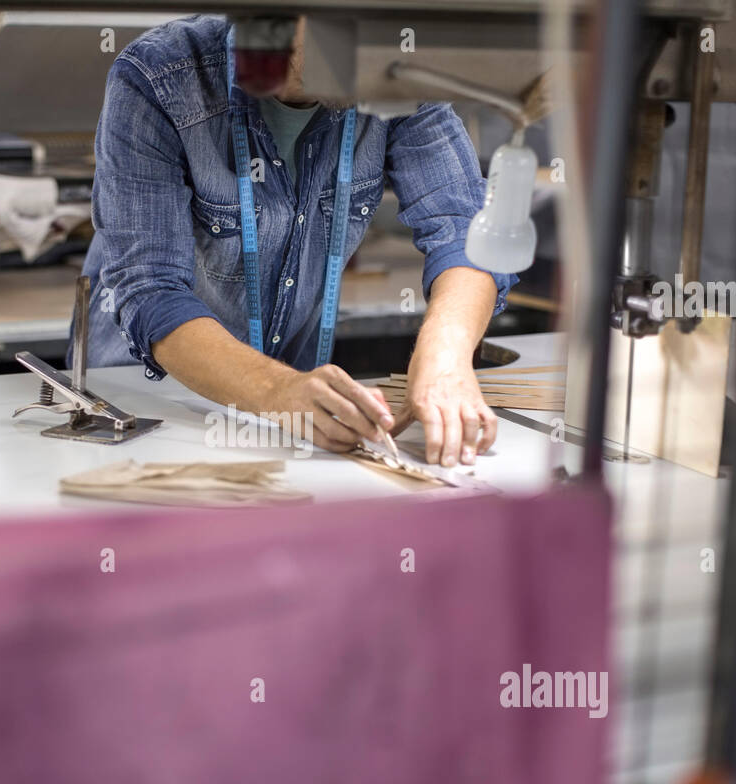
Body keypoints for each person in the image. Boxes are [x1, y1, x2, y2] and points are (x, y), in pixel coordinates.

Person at [71, 15, 517, 466]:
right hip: (142, 412)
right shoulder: (158, 77)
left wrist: (445, 354)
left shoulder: (396, 71)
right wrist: (277, 389)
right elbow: (152, 290)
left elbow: (464, 229)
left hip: (283, 420)